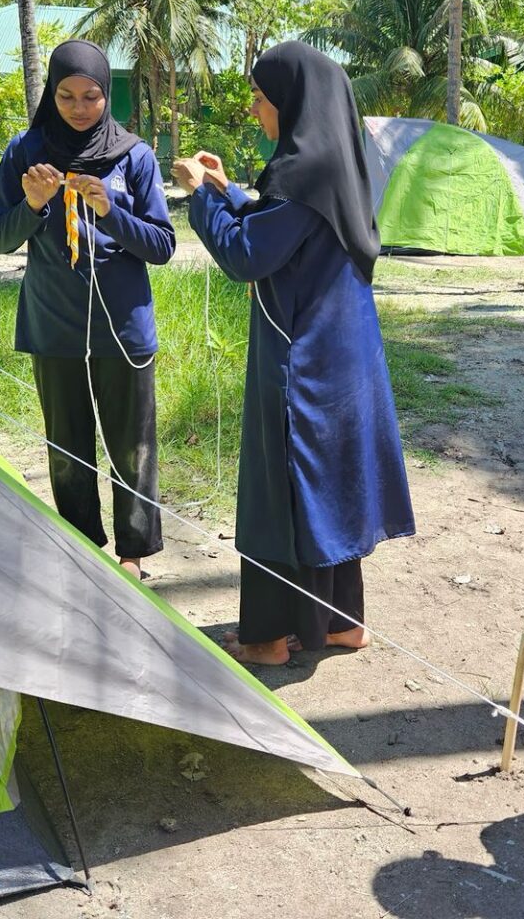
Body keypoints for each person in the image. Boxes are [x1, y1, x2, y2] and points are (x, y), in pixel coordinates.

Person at [175, 40, 414, 666]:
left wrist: (200, 195)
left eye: (260, 96)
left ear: (292, 100)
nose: (255, 108)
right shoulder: (336, 164)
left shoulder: (298, 173)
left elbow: (247, 256)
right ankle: (339, 623)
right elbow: (278, 230)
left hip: (302, 362)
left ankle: (267, 638)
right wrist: (229, 192)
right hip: (345, 357)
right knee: (330, 487)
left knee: (278, 492)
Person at [0, 40, 174, 579]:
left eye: (91, 96)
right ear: (51, 93)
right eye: (65, 95)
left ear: (106, 95)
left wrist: (110, 211)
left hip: (123, 323)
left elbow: (161, 246)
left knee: (132, 444)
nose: (79, 107)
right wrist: (34, 204)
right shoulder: (26, 151)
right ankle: (82, 547)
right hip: (53, 321)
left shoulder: (132, 155)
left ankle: (132, 553)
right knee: (66, 445)